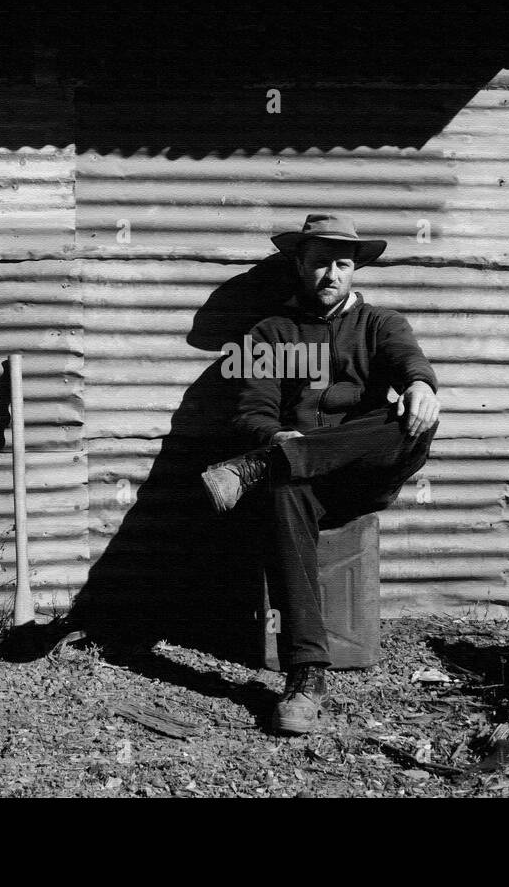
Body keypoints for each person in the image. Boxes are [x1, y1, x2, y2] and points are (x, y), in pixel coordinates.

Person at [201, 213, 440, 734]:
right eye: (319, 263)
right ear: (299, 265)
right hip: (301, 482)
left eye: (343, 264)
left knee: (410, 422)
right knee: (285, 489)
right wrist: (274, 438)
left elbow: (409, 360)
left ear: (355, 271)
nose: (331, 274)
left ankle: (266, 466)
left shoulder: (381, 323)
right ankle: (306, 675)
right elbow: (252, 410)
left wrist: (421, 385)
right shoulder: (271, 332)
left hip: (366, 472)